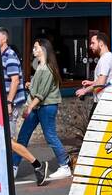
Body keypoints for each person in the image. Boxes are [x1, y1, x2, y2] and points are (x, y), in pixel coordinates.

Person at [14, 38, 71, 179]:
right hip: (37, 106)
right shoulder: (39, 66)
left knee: (50, 136)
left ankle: (65, 165)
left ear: (43, 49)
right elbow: (37, 89)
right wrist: (30, 85)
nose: (33, 50)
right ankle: (13, 167)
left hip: (46, 107)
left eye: (36, 47)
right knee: (23, 136)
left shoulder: (47, 69)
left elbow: (41, 94)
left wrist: (28, 108)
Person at [75, 32, 112, 107]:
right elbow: (107, 81)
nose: (90, 46)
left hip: (103, 103)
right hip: (109, 101)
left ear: (101, 43)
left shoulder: (105, 59)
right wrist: (92, 82)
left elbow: (101, 83)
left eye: (93, 43)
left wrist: (84, 91)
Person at [0, 28, 26, 137]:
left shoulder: (9, 56)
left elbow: (15, 80)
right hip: (6, 101)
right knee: (5, 135)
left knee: (9, 136)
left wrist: (9, 103)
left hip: (11, 102)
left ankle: (16, 154)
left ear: (4, 39)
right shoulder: (1, 55)